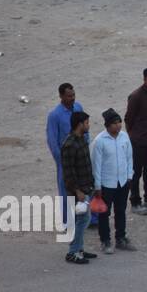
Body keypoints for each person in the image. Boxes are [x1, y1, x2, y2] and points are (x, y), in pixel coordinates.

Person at [47, 83, 86, 230]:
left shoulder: (78, 108)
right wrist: (61, 160)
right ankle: (66, 222)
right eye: (69, 96)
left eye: (73, 95)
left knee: (83, 188)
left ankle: (82, 219)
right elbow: (52, 140)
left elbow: (84, 129)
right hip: (65, 160)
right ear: (61, 96)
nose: (72, 98)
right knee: (66, 190)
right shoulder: (55, 115)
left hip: (80, 156)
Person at [60, 110, 96, 264]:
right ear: (80, 124)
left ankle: (79, 248)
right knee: (82, 219)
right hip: (78, 190)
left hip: (86, 186)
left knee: (84, 219)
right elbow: (68, 172)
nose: (89, 125)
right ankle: (73, 252)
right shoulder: (69, 145)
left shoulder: (82, 139)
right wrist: (77, 191)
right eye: (87, 122)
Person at [124, 68, 147, 216]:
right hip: (139, 141)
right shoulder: (136, 96)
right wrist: (134, 137)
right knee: (136, 172)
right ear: (145, 79)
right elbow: (128, 120)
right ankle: (135, 201)